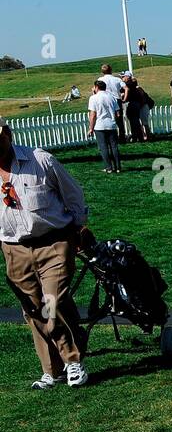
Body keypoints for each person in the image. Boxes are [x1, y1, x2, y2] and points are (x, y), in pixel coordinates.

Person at [0, 117, 95, 389]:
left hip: (53, 243)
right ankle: (52, 370)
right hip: (14, 248)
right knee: (33, 310)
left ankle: (73, 360)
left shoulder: (40, 160)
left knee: (53, 302)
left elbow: (72, 194)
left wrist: (78, 229)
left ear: (8, 134)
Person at [86, 80, 123, 172]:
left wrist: (91, 128)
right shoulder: (112, 97)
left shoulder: (93, 98)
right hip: (111, 124)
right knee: (114, 147)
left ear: (96, 87)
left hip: (100, 125)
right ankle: (118, 167)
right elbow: (118, 113)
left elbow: (93, 115)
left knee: (103, 147)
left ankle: (108, 167)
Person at [98, 64, 126, 139]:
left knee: (107, 117)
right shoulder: (117, 79)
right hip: (117, 99)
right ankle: (122, 136)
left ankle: (111, 136)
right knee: (119, 119)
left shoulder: (100, 79)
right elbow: (126, 88)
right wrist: (124, 98)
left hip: (105, 100)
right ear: (111, 70)